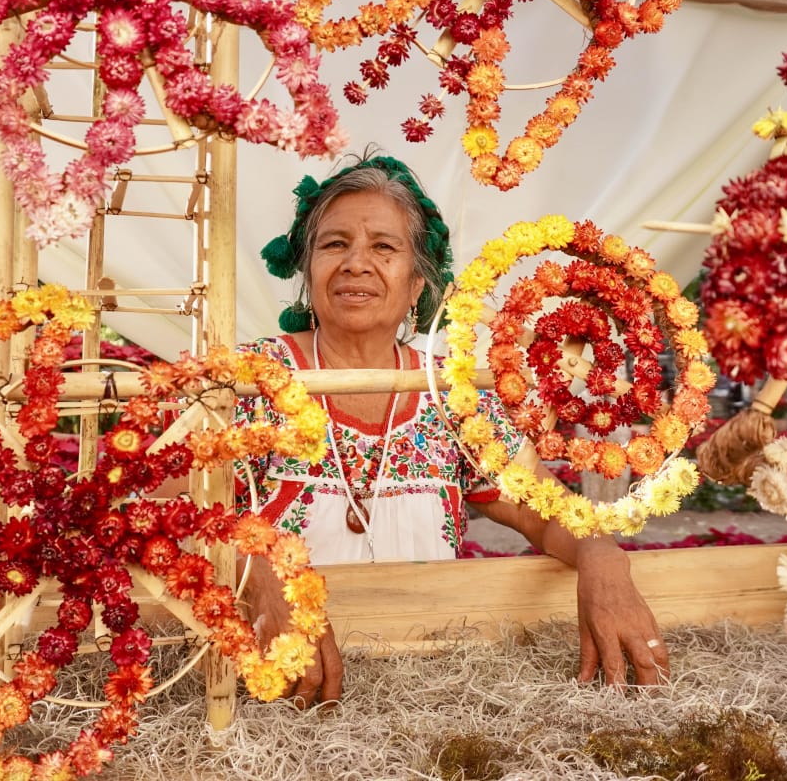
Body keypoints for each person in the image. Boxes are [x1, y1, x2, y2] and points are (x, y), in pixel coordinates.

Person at [235, 152, 669, 709]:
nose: (356, 263)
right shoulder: (250, 381)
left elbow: (540, 508)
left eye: (384, 247)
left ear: (417, 283)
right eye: (334, 244)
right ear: (308, 269)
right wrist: (264, 579)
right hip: (282, 694)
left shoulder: (453, 395)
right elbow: (170, 508)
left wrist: (604, 559)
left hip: (426, 699)